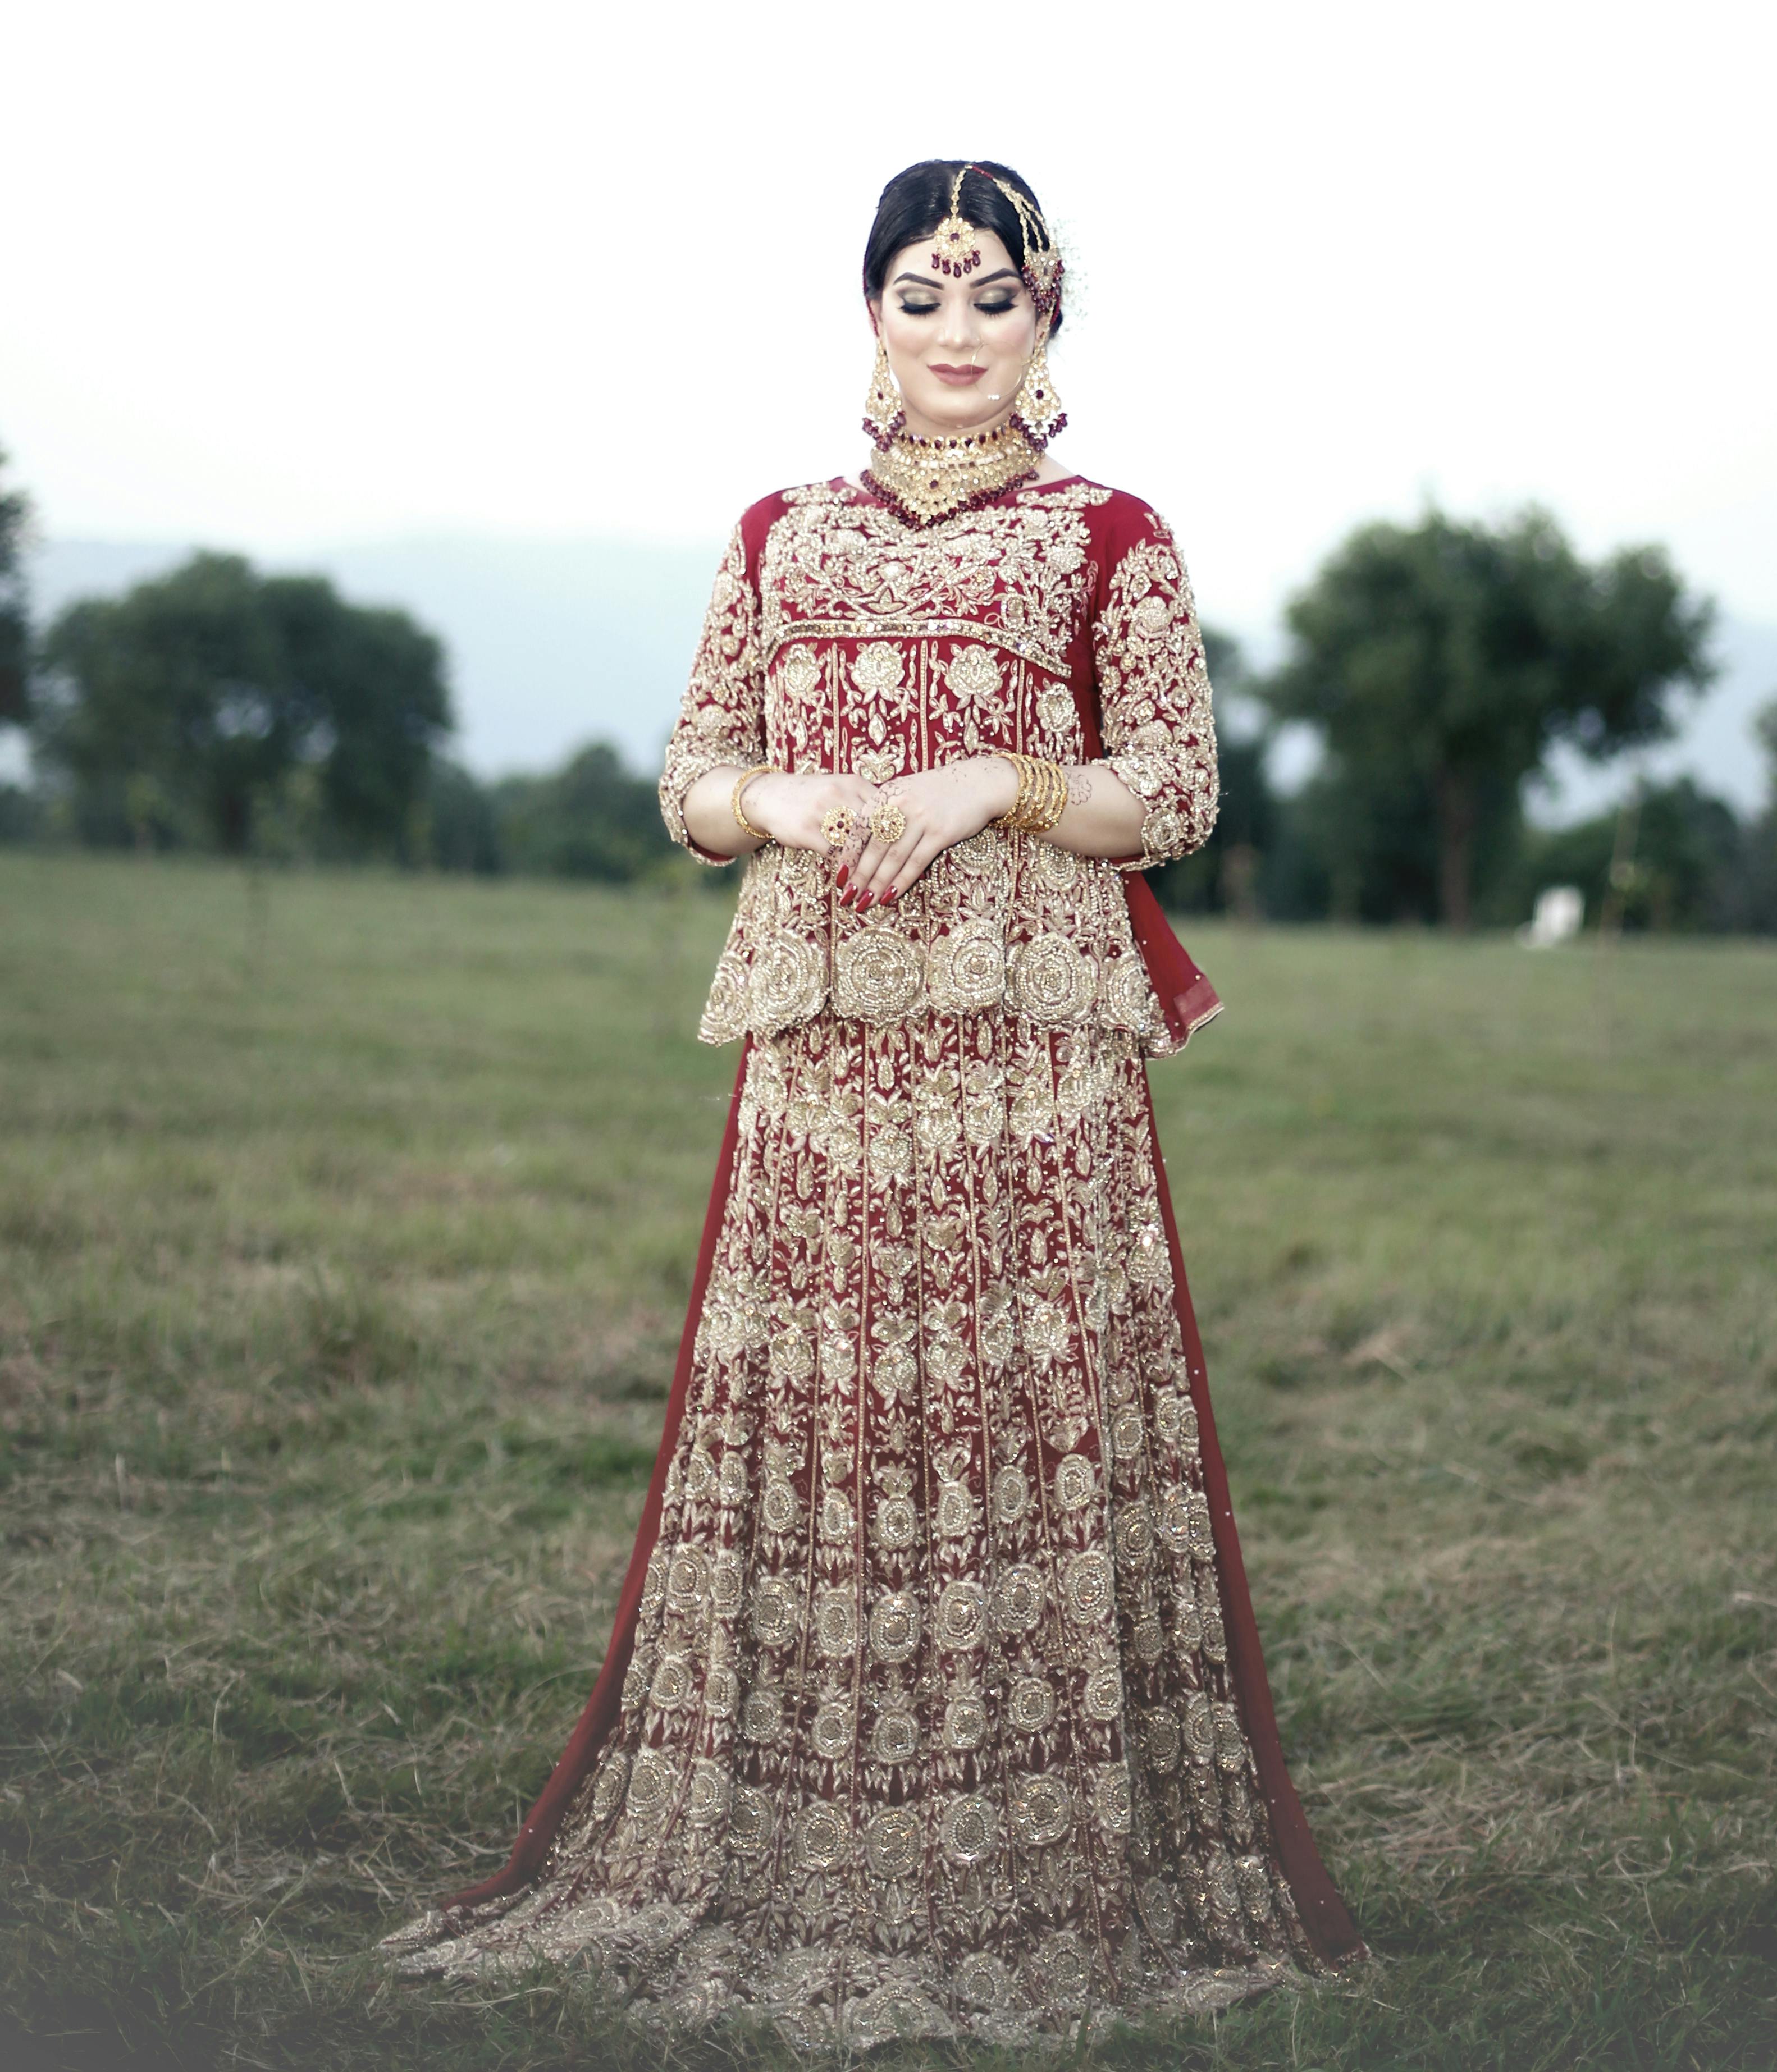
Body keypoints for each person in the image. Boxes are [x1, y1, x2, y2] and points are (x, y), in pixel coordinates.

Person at [388, 160, 1359, 2047]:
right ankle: (790, 1840)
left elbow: (1171, 796)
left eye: (993, 293)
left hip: (1026, 1055)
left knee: (1018, 1414)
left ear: (1049, 318)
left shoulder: (1112, 539)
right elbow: (691, 775)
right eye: (920, 293)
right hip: (827, 1053)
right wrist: (792, 807)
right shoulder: (779, 533)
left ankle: (1036, 1851)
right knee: (828, 1417)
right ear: (868, 319)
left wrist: (993, 776)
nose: (956, 331)